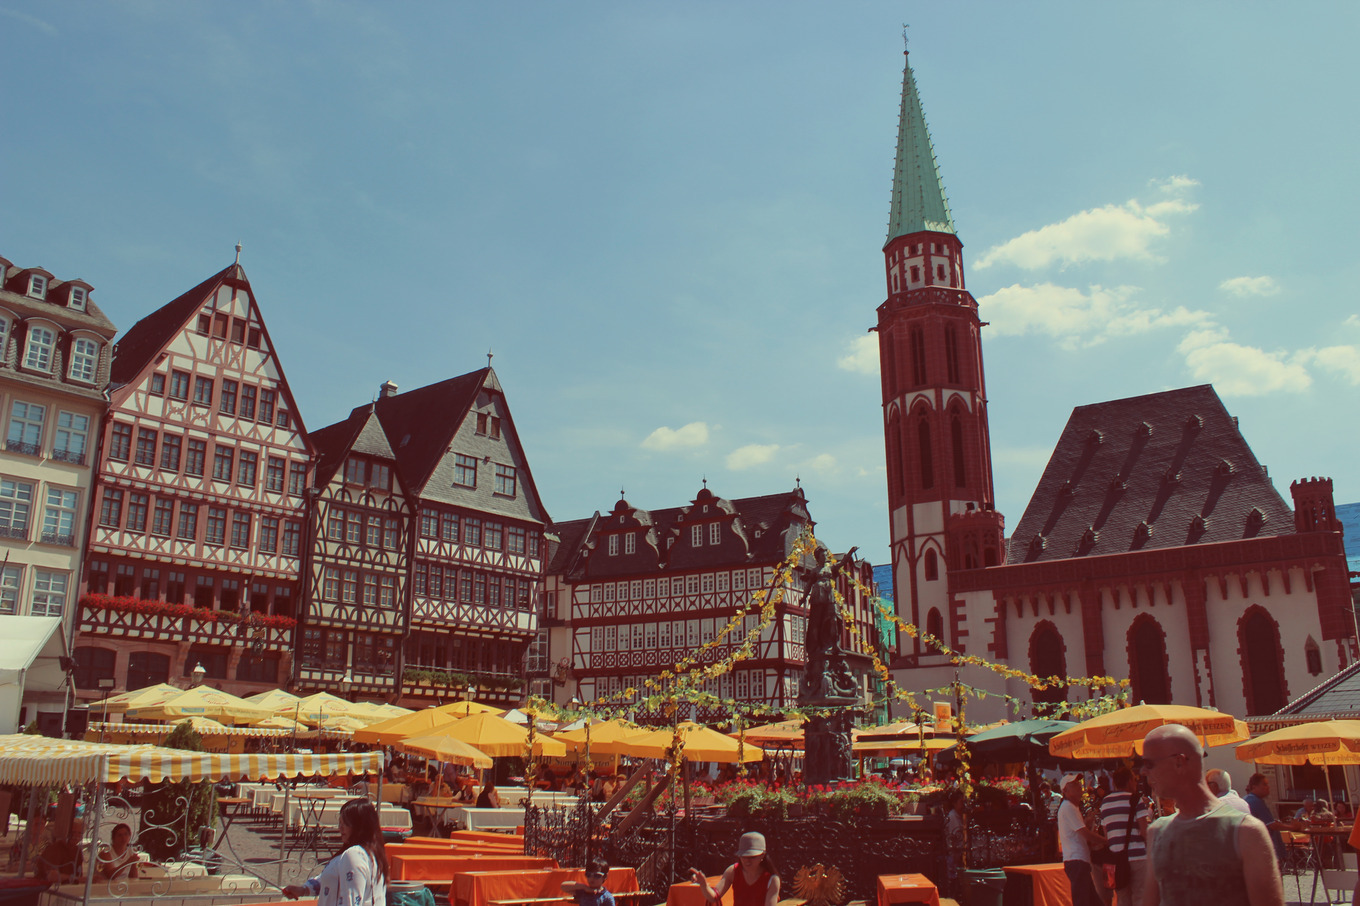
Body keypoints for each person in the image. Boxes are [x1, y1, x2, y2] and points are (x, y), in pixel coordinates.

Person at [1141, 724, 1282, 906]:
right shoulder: (1157, 832)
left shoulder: (1245, 832)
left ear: (1179, 762)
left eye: (1148, 764)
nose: (1143, 772)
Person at [282, 798, 388, 906]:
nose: (340, 828)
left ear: (359, 826)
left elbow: (351, 900)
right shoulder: (371, 853)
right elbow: (331, 879)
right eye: (340, 823)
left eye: (345, 824)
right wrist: (303, 890)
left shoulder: (354, 854)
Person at [1097, 767, 1148, 906]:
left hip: (1116, 860)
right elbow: (1144, 832)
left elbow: (1107, 835)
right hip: (1138, 857)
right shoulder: (1136, 799)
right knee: (1140, 897)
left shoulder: (1105, 803)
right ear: (1130, 781)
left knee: (1122, 898)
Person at [689, 831, 780, 906]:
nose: (747, 861)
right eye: (743, 856)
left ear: (762, 856)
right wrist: (703, 885)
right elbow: (713, 897)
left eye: (752, 857)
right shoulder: (732, 871)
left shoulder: (772, 880)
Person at [1056, 774, 1103, 906]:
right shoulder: (1068, 807)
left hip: (1079, 860)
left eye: (1078, 783)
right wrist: (1107, 841)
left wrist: (1087, 822)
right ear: (1065, 791)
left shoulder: (1071, 807)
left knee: (1092, 901)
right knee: (1084, 901)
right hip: (1077, 860)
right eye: (1074, 784)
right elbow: (1085, 834)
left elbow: (1080, 832)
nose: (1079, 786)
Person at [1244, 772, 1298, 869]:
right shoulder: (1256, 802)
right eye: (1264, 784)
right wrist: (1293, 827)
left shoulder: (1248, 799)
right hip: (1264, 850)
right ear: (1254, 786)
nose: (1268, 787)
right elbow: (1272, 825)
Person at [944, 791, 967, 896]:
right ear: (954, 803)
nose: (963, 805)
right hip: (955, 852)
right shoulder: (952, 816)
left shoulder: (961, 815)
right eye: (961, 802)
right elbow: (955, 837)